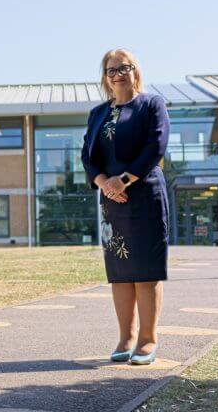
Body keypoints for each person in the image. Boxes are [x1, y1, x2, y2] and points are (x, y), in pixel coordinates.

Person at [80, 49, 170, 365]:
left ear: (135, 71)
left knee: (145, 269)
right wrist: (105, 182)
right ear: (105, 77)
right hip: (111, 201)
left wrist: (125, 179)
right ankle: (125, 337)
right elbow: (88, 158)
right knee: (120, 272)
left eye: (124, 68)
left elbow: (155, 146)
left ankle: (147, 339)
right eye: (111, 70)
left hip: (144, 194)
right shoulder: (97, 113)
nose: (117, 74)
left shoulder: (151, 105)